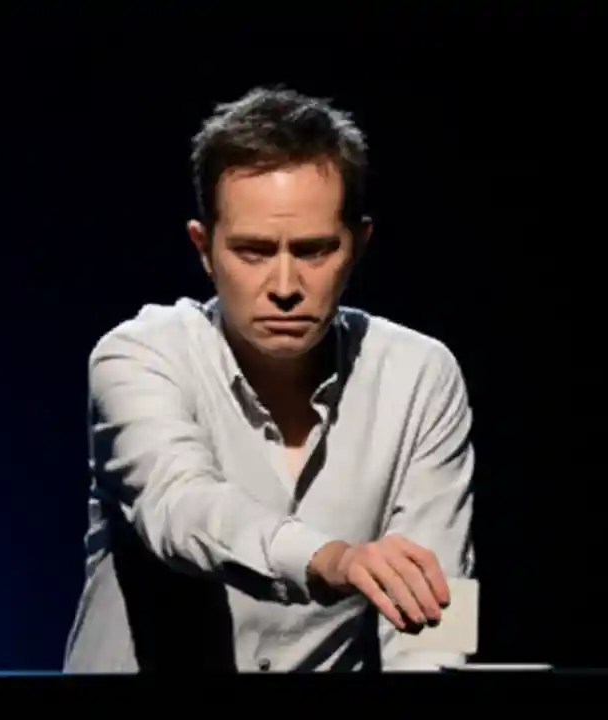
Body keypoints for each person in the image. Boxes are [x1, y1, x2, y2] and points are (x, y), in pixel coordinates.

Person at [62, 86, 476, 673]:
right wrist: (330, 559)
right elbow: (181, 507)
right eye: (254, 251)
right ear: (203, 249)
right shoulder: (138, 356)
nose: (284, 285)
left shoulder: (420, 375)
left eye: (313, 251)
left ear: (358, 248)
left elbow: (436, 609)